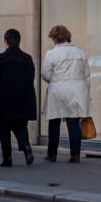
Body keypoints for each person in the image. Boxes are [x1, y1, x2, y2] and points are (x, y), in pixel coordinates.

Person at [0, 28, 37, 167]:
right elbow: (31, 78)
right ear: (19, 42)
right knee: (20, 127)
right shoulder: (27, 58)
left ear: (5, 42)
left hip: (3, 101)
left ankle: (7, 159)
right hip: (24, 100)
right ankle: (25, 146)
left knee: (4, 130)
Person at [40, 25, 90, 162]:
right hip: (77, 90)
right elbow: (86, 74)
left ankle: (52, 154)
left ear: (54, 38)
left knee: (54, 122)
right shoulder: (80, 52)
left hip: (57, 90)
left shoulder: (51, 53)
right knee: (73, 122)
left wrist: (53, 80)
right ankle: (75, 155)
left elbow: (45, 73)